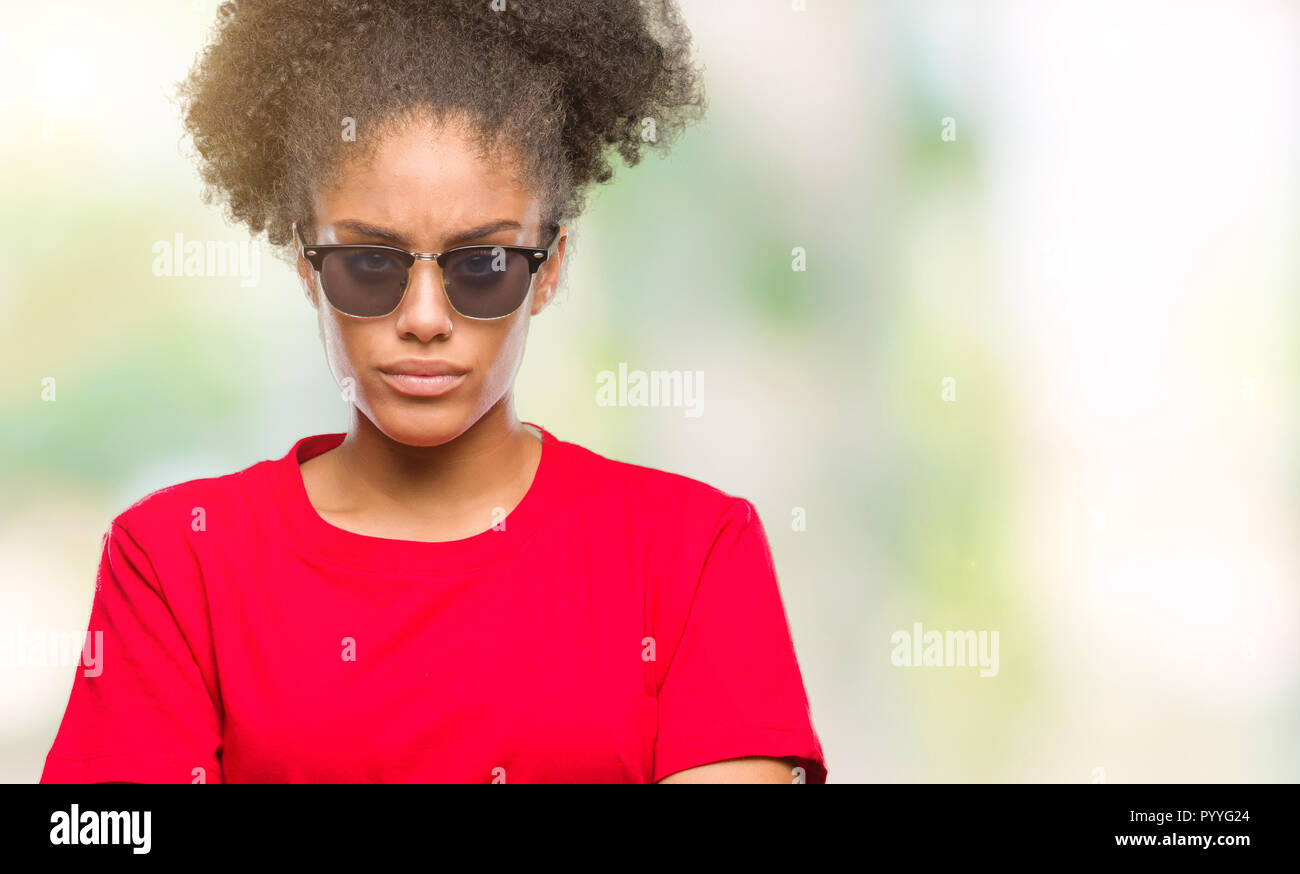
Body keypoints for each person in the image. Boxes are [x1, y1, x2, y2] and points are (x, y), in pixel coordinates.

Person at [40, 0, 827, 784]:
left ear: (549, 268)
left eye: (481, 266)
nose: (423, 319)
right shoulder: (178, 562)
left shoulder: (691, 552)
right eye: (370, 265)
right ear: (304, 263)